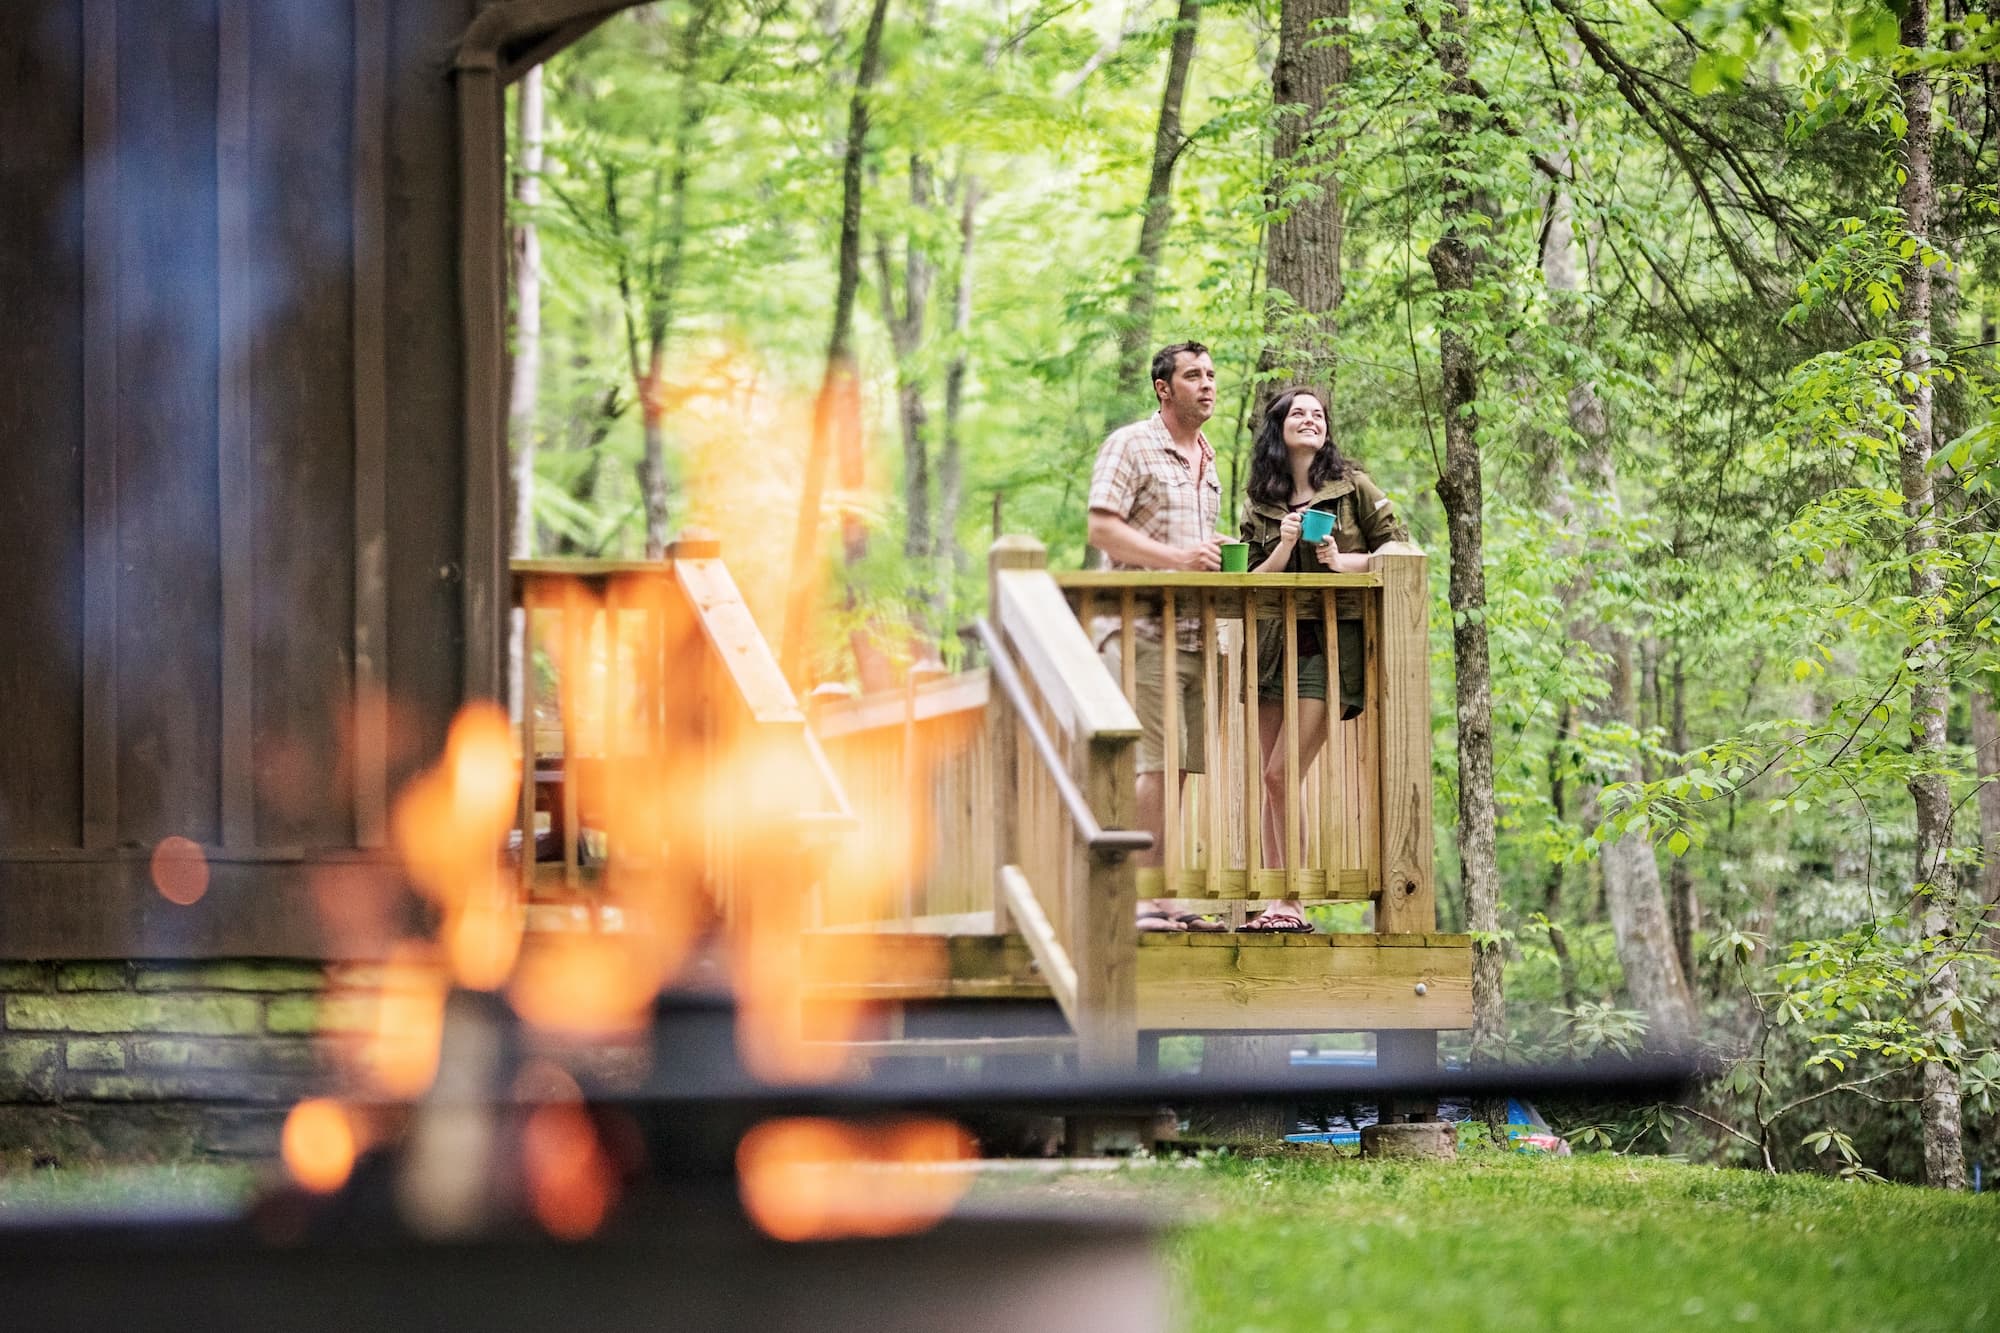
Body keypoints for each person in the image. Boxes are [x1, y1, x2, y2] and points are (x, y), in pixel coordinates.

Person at [1235, 387, 1407, 933]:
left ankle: (1295, 901)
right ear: (1279, 428)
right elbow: (1249, 581)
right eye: (1298, 413)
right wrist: (1284, 547)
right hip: (1268, 650)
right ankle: (1275, 901)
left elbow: (1400, 548)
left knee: (1282, 772)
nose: (1310, 420)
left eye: (1318, 414)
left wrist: (1343, 562)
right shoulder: (1260, 498)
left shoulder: (1352, 486)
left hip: (1329, 650)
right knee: (1271, 778)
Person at [1086, 342, 1227, 933]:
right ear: (1163, 388)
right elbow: (1101, 528)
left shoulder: (1210, 458)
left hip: (1196, 633)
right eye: (1193, 375)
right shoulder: (1131, 443)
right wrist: (1176, 558)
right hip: (1140, 627)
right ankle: (1138, 897)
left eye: (1212, 375)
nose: (1207, 384)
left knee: (1183, 768)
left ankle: (1164, 893)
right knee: (1154, 763)